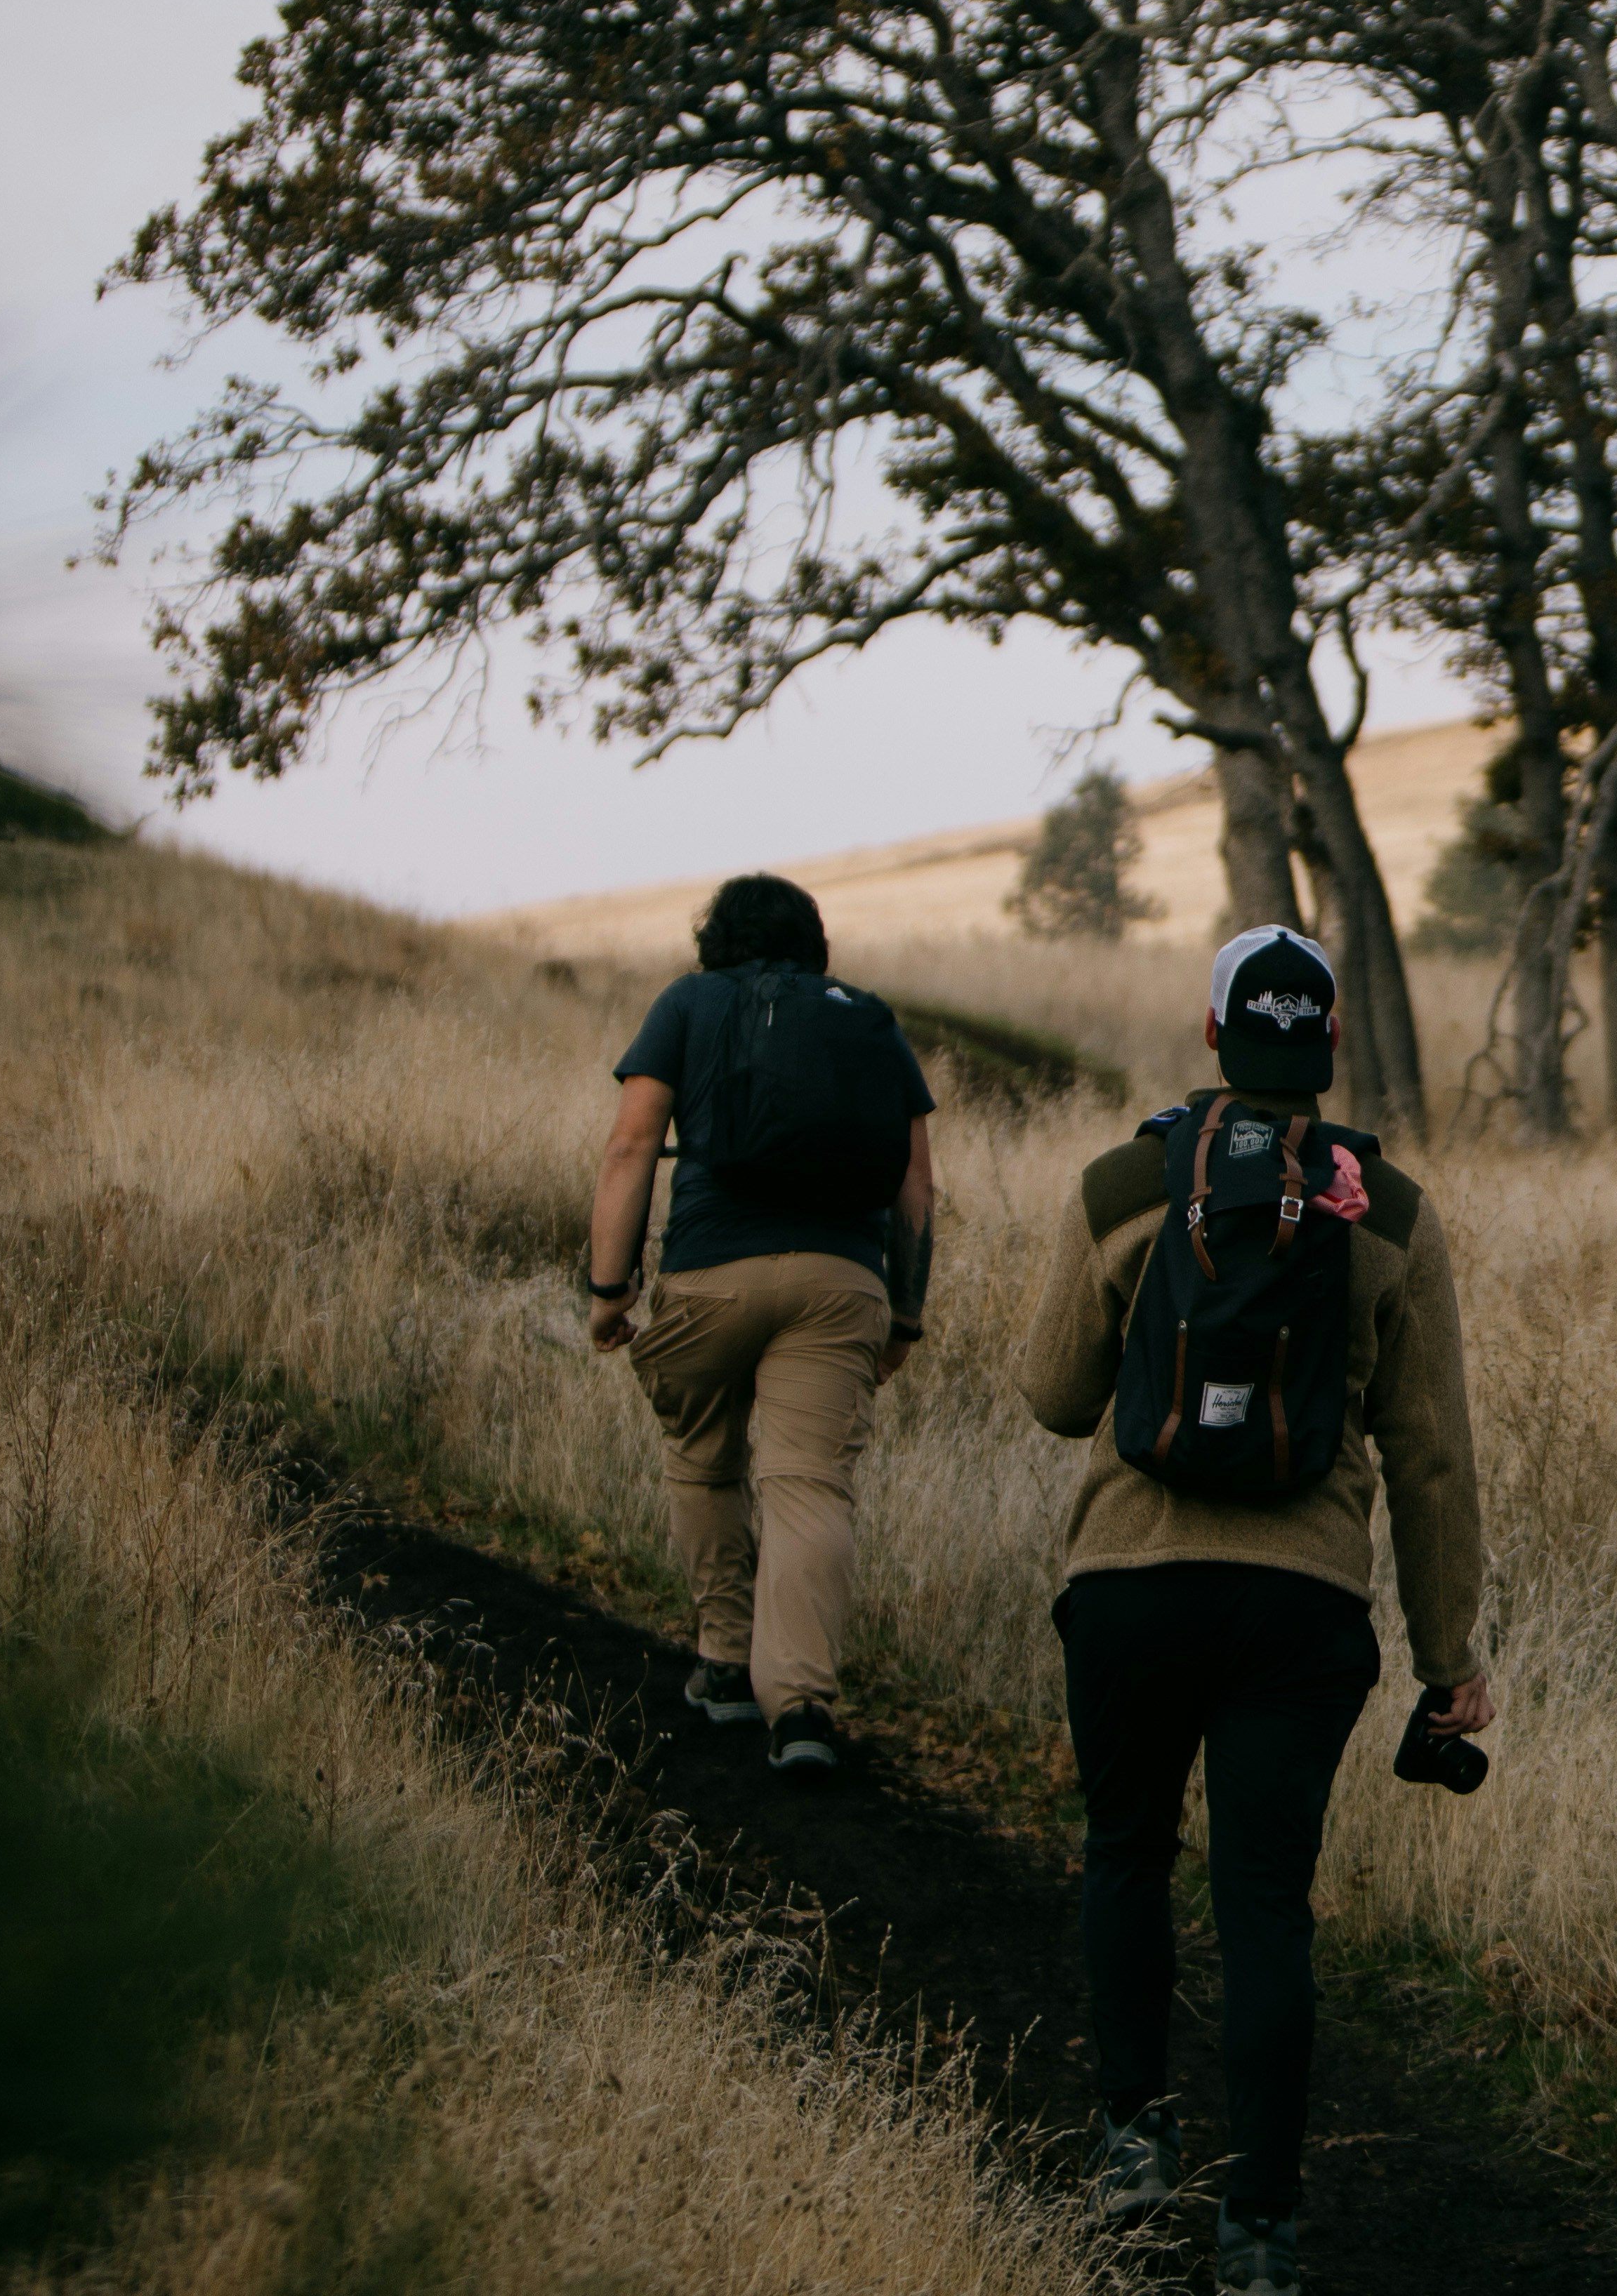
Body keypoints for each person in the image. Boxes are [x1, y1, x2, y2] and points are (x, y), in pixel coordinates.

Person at [1018, 924, 1490, 2296]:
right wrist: (1449, 1655)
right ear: (1329, 1044)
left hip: (1126, 1585)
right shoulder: (1389, 1207)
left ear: (1215, 1034)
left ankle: (1130, 2148)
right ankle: (1264, 2229)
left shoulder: (1124, 1179)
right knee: (1266, 1903)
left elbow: (1053, 1395)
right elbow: (1433, 1454)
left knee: (1125, 1849)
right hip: (1303, 1603)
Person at [583, 872, 937, 1780]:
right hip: (841, 1282)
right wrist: (905, 1312)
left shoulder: (688, 1004)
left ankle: (726, 1660)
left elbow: (631, 1147)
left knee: (703, 1452)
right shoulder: (867, 1018)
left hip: (711, 1276)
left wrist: (609, 1287)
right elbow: (914, 1185)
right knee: (808, 1485)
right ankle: (805, 1708)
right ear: (813, 942)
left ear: (716, 941)